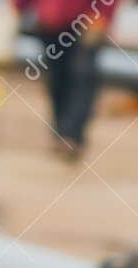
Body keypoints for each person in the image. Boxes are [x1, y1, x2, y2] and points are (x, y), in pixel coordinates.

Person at [16, 0, 123, 160]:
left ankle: (72, 136)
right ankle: (61, 133)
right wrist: (24, 9)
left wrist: (103, 15)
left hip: (87, 22)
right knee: (56, 79)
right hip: (51, 23)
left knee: (82, 75)